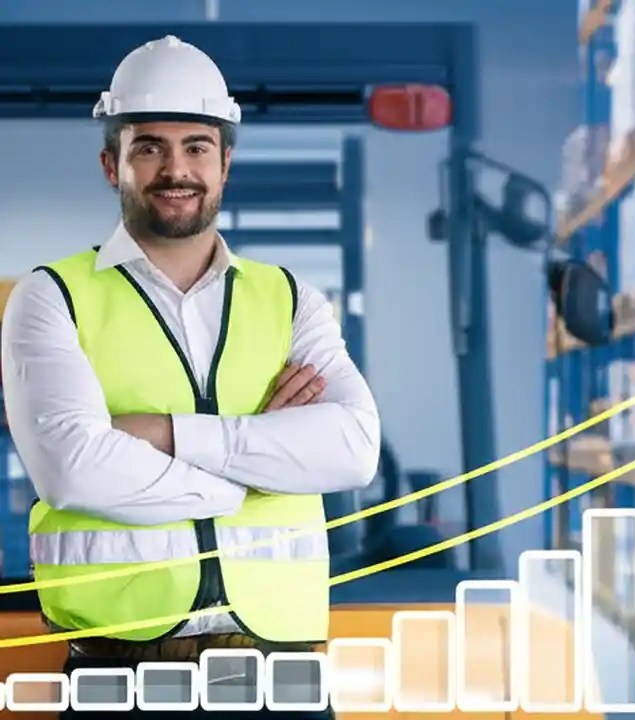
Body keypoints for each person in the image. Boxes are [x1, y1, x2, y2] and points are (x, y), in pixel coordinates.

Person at [0, 35, 381, 718]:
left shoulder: (290, 298)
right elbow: (73, 469)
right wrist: (256, 465)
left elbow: (352, 449)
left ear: (226, 163)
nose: (176, 168)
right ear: (110, 164)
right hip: (118, 674)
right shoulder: (50, 296)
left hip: (279, 675)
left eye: (197, 146)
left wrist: (162, 435)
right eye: (149, 147)